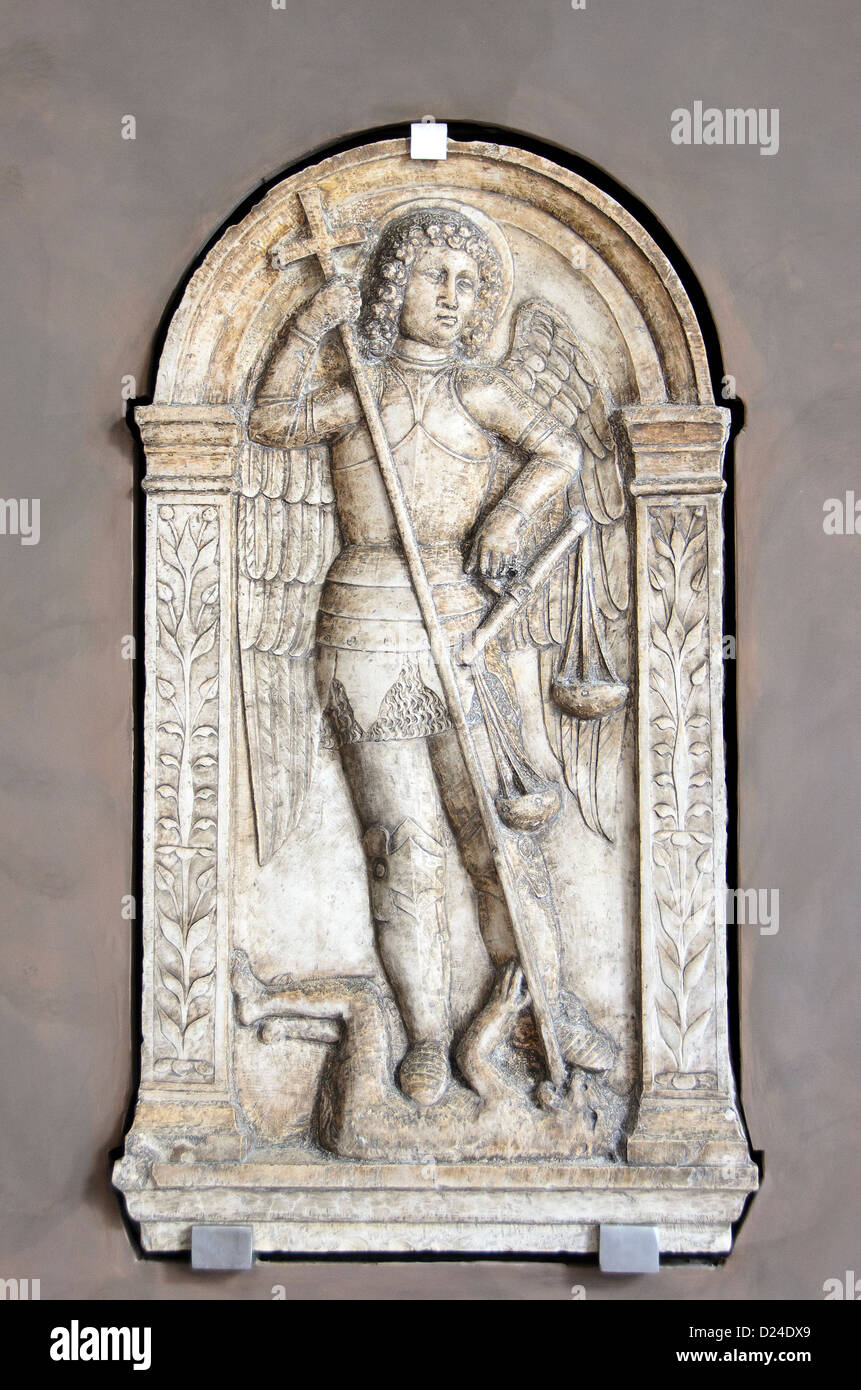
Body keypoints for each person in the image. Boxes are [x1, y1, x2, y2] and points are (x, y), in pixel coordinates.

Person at [248, 207, 609, 1106]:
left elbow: (559, 453)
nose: (450, 299)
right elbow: (269, 422)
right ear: (387, 288)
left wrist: (508, 516)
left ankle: (541, 1009)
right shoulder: (355, 391)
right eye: (430, 277)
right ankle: (422, 1034)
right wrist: (306, 326)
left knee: (495, 837)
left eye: (467, 284)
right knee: (402, 846)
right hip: (366, 625)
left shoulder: (480, 393)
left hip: (458, 619)